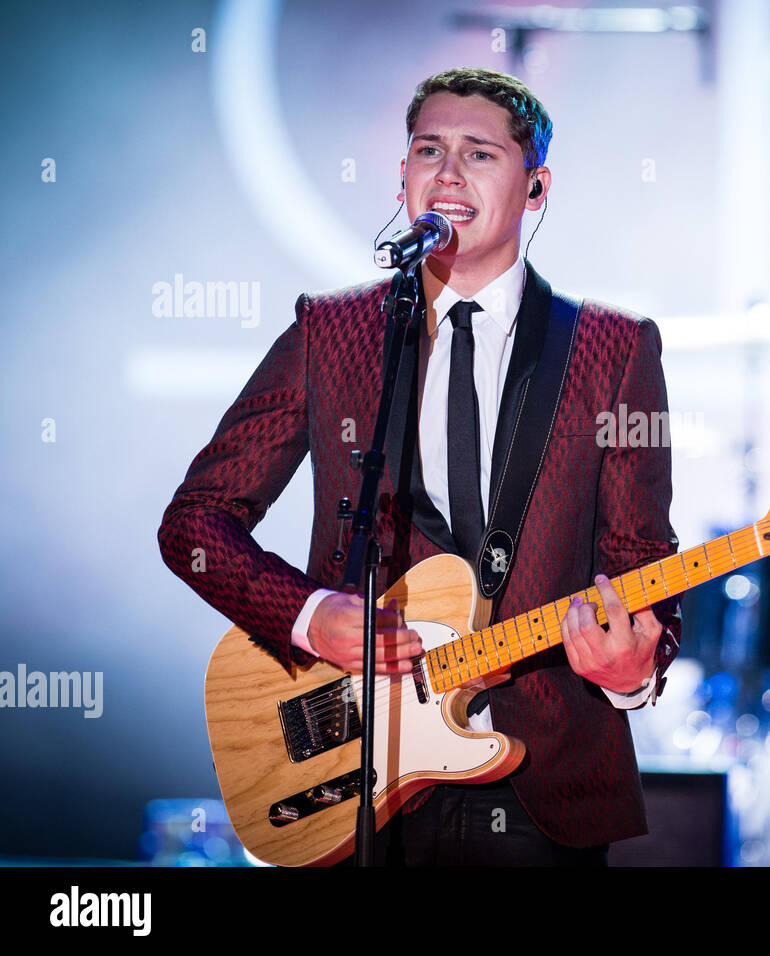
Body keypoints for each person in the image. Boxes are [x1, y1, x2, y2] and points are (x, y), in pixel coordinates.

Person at [158, 67, 682, 866]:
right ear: (401, 174)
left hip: (540, 781)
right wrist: (309, 616)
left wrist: (632, 675)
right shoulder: (334, 332)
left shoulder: (613, 349)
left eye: (480, 154)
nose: (446, 172)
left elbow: (640, 560)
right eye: (428, 149)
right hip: (353, 769)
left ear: (536, 187)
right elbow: (195, 522)